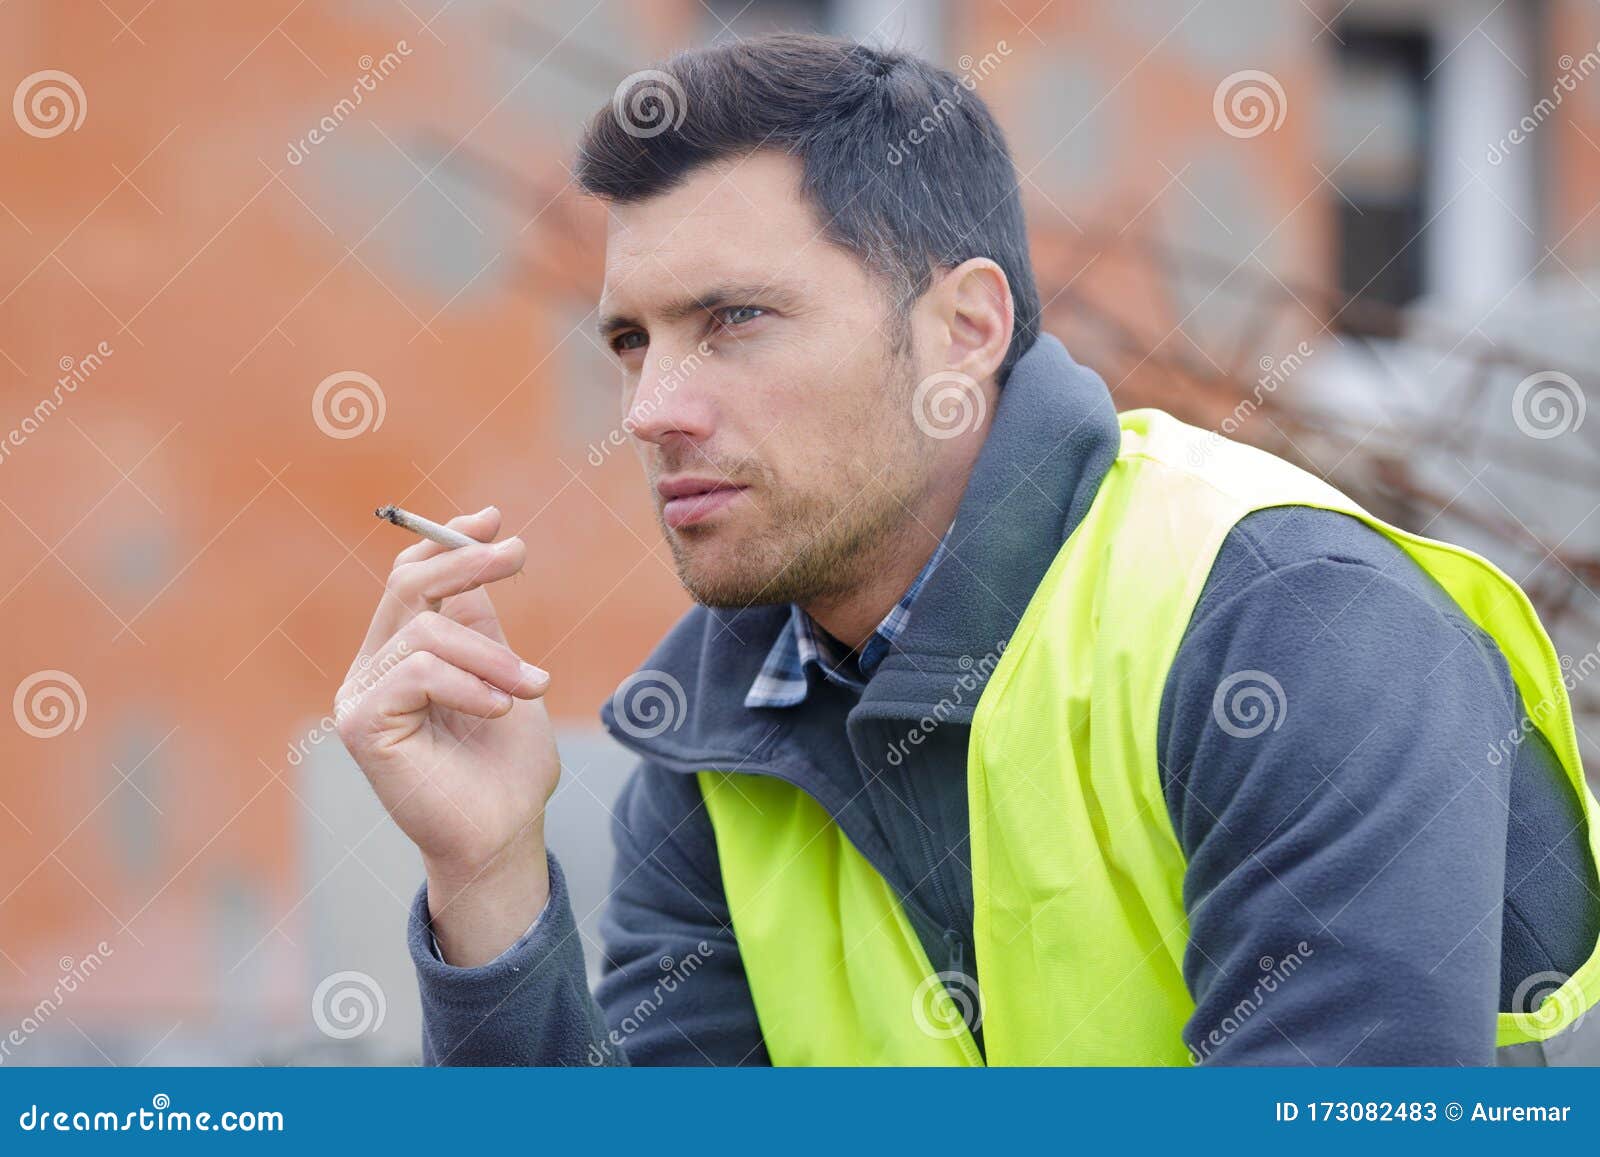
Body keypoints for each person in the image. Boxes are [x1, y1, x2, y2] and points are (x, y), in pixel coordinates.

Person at [335, 34, 1600, 1066]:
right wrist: (490, 876)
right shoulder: (719, 711)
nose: (651, 408)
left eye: (733, 319)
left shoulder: (1295, 627)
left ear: (963, 329)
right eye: (630, 340)